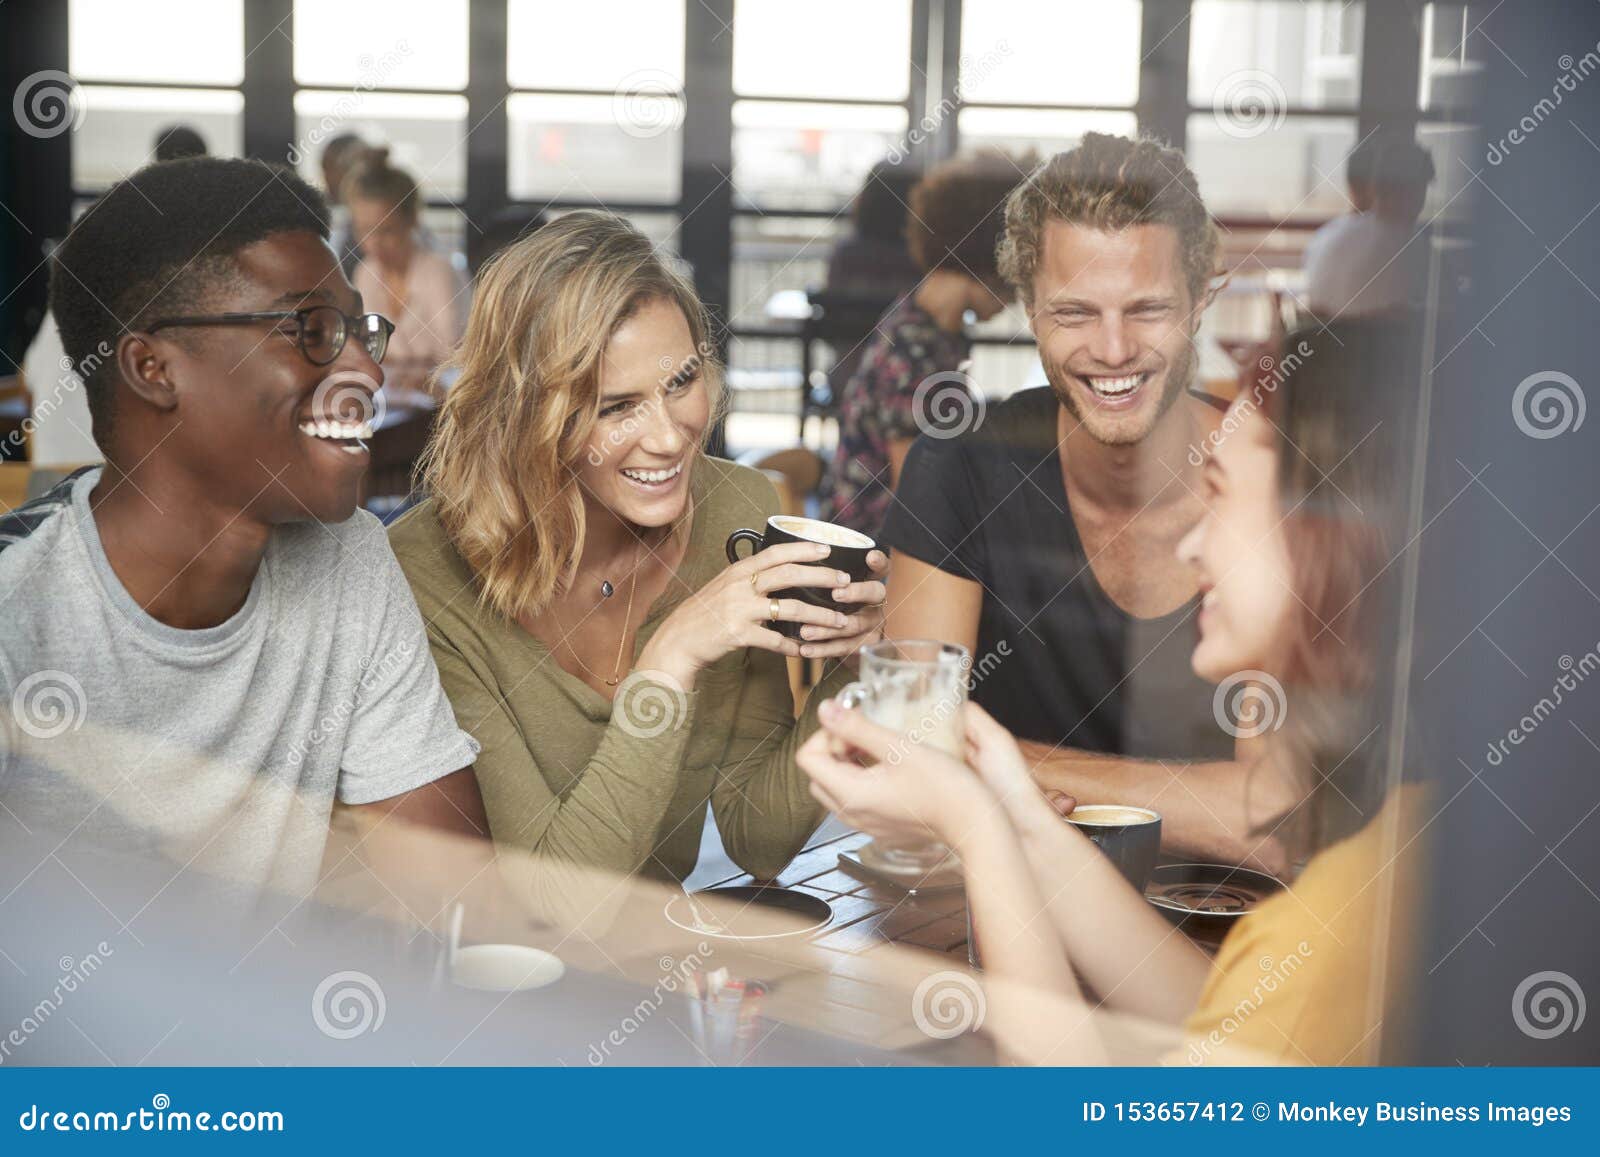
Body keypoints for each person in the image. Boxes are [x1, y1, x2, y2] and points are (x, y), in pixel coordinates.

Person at [800, 320, 1425, 1065]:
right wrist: (1012, 803)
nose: (1193, 545)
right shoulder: (1402, 841)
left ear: (1322, 538)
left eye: (1220, 493)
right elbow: (1216, 1015)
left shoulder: (1326, 935)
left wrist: (974, 825)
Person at [0, 157, 488, 909]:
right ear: (152, 367)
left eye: (358, 329)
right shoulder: (16, 612)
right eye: (312, 329)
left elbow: (453, 903)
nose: (364, 366)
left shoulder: (349, 557)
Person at [387, 211, 889, 914]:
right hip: (493, 989)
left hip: (654, 976)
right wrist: (672, 657)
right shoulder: (425, 572)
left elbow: (761, 838)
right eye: (615, 405)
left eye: (681, 381)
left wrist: (854, 669)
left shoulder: (737, 511)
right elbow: (558, 903)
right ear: (529, 415)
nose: (670, 435)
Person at [879, 133, 1289, 871]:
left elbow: (1274, 822)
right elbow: (910, 757)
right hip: (1007, 918)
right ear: (1028, 309)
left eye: (1148, 308)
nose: (1112, 348)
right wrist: (1200, 801)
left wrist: (1000, 773)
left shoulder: (1265, 477)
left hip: (1222, 934)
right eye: (1074, 313)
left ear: (1201, 301)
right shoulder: (959, 469)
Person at [819, 152, 1019, 537]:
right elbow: (914, 498)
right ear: (986, 262)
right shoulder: (915, 351)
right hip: (867, 551)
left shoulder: (921, 320)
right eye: (1014, 276)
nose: (1016, 296)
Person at [345, 149, 466, 394]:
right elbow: (369, 350)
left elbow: (457, 358)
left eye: (386, 231)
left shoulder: (439, 272)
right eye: (364, 230)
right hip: (390, 397)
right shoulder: (366, 273)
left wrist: (424, 381)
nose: (373, 243)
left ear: (412, 221)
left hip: (442, 399)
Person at [1304, 135, 1436, 318]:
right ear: (1415, 191)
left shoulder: (1324, 237)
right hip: (1380, 344)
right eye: (1422, 189)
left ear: (1374, 186)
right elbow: (1451, 308)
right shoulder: (1412, 245)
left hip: (1325, 344)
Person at [319, 132, 370, 277]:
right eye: (324, 169)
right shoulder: (315, 209)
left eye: (332, 169)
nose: (326, 178)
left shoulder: (373, 220)